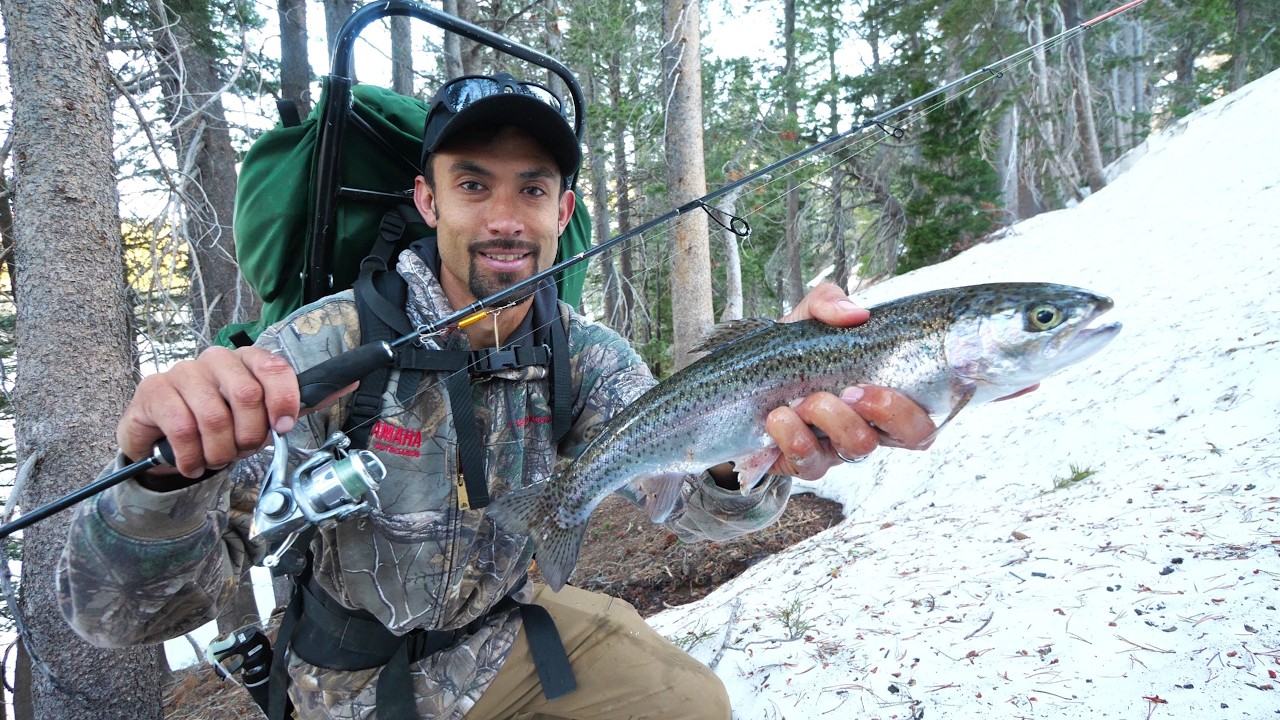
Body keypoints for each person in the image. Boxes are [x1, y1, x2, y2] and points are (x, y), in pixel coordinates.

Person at [58, 73, 935, 720]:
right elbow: (122, 614)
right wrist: (160, 482)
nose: (505, 218)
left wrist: (763, 430)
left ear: (565, 208)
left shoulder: (584, 354)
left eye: (533, 189)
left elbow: (700, 511)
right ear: (427, 199)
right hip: (350, 686)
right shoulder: (322, 351)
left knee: (693, 705)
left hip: (502, 641)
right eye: (474, 184)